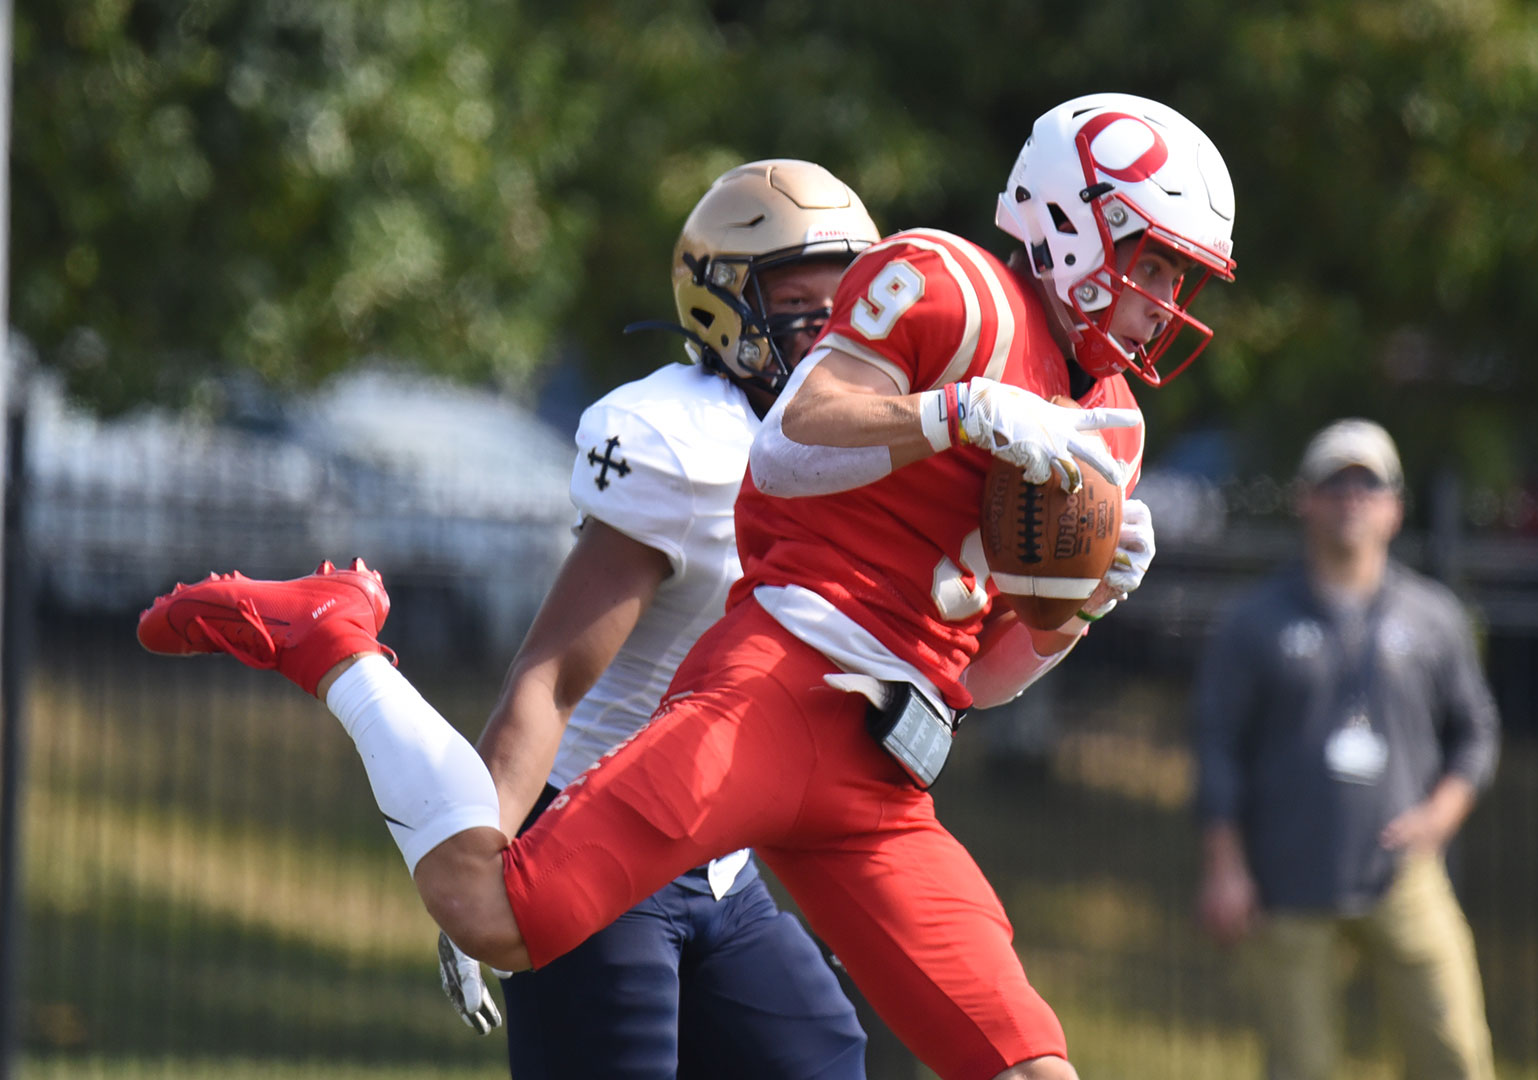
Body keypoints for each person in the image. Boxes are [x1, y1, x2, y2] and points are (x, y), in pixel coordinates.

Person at [139, 92, 1236, 1080]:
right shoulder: (947, 290)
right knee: (489, 907)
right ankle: (338, 649)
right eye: (1152, 264)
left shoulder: (1112, 424)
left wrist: (1079, 611)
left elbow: (986, 681)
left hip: (886, 769)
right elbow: (786, 452)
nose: (1162, 301)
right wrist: (955, 412)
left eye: (1178, 278)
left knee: (1025, 1066)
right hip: (774, 691)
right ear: (1073, 218)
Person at [1191, 419, 1500, 1080]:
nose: (1351, 500)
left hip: (1405, 875)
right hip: (1287, 876)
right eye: (1335, 485)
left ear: (1396, 507)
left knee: (1454, 1053)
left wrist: (1441, 816)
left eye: (1370, 485)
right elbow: (1217, 745)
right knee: (1300, 1066)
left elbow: (1477, 732)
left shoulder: (1434, 615)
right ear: (1305, 499)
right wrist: (1225, 867)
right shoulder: (1256, 620)